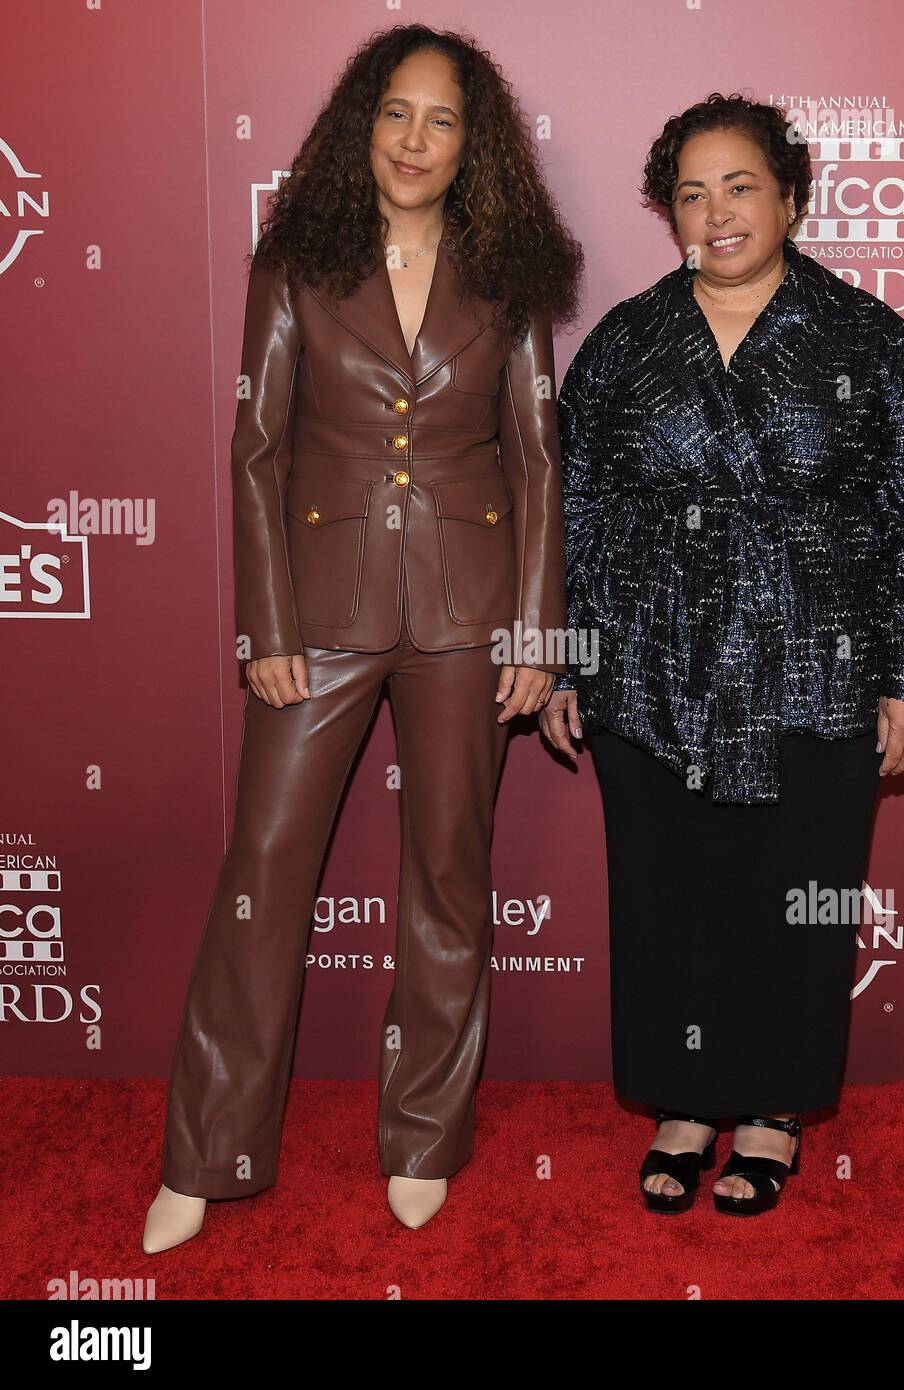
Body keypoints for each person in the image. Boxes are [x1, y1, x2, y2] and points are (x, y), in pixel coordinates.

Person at [143, 23, 581, 1252]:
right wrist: (266, 627)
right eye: (397, 112)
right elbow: (257, 452)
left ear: (471, 146)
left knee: (449, 875)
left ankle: (425, 1136)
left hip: (467, 611)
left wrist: (536, 629)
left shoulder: (505, 274)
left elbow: (539, 458)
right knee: (262, 878)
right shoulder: (294, 262)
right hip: (318, 617)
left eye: (442, 120)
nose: (414, 139)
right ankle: (208, 1150)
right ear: (362, 123)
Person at [540, 92, 904, 1216]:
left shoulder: (866, 336)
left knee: (796, 899)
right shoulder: (626, 341)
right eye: (690, 191)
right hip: (652, 675)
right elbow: (569, 507)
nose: (715, 209)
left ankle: (773, 1110)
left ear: (788, 196)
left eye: (738, 184)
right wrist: (558, 656)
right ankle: (684, 1105)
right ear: (667, 214)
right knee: (667, 894)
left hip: (816, 672)